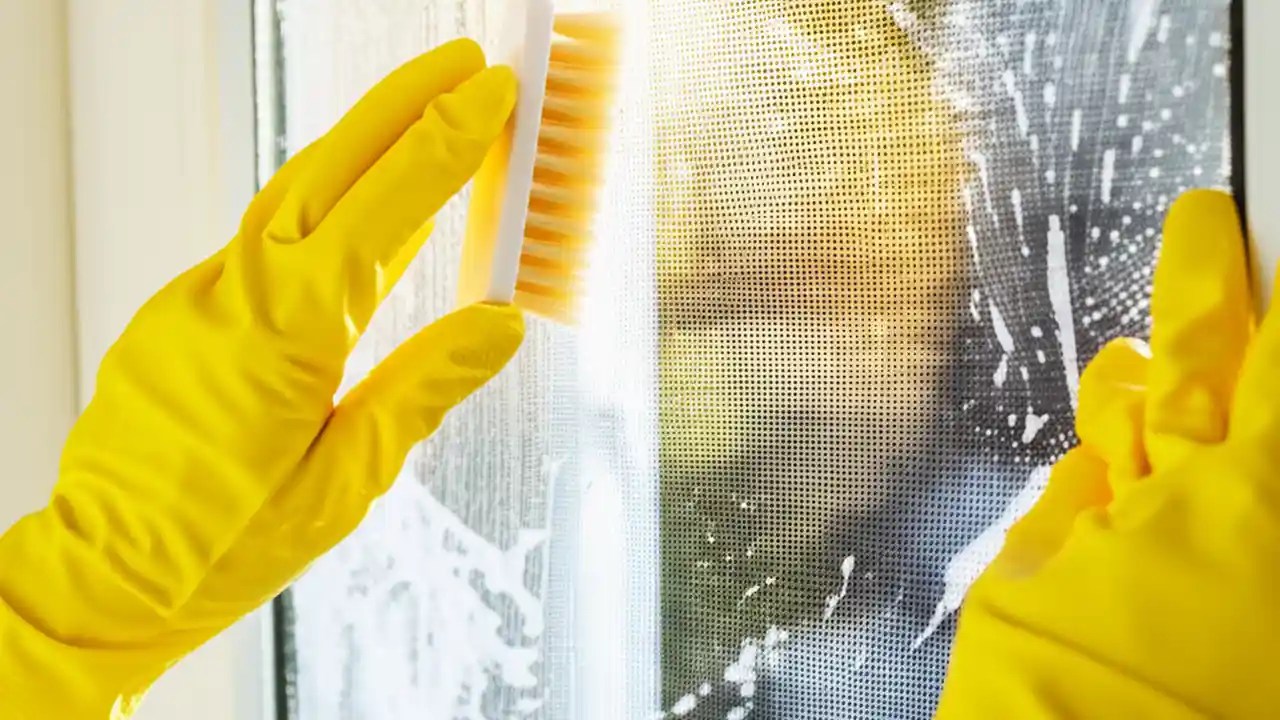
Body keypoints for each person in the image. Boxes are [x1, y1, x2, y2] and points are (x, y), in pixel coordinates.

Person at [0, 39, 1275, 720]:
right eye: (756, 265)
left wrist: (61, 625)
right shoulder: (586, 557)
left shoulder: (1025, 529)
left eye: (859, 259)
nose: (811, 333)